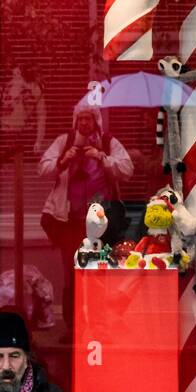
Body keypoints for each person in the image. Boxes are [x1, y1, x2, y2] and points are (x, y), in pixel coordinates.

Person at [38, 103, 133, 328]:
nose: (84, 123)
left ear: (96, 121)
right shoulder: (64, 141)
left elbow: (127, 169)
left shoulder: (108, 142)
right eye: (80, 118)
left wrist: (102, 157)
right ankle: (73, 328)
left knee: (99, 275)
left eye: (88, 118)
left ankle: (99, 325)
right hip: (69, 221)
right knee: (72, 276)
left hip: (101, 223)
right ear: (75, 120)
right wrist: (63, 161)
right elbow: (42, 168)